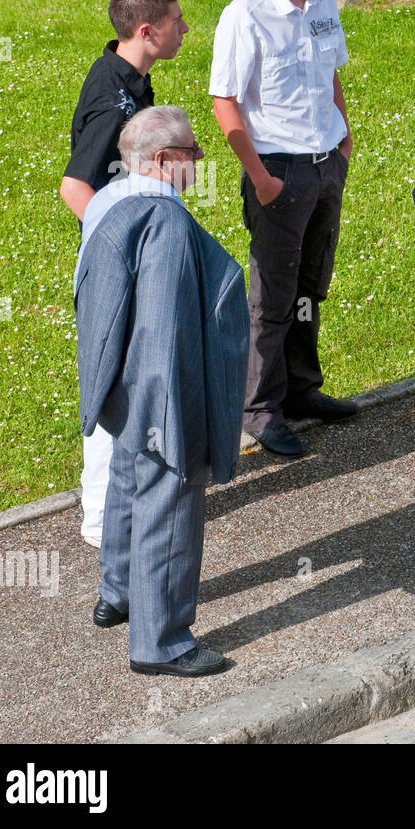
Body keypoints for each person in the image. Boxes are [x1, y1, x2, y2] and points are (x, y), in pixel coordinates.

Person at [75, 107, 248, 676]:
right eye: (194, 153)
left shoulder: (108, 199)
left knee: (127, 480)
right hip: (160, 385)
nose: (201, 162)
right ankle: (163, 642)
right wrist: (172, 418)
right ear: (166, 161)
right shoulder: (166, 224)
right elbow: (164, 328)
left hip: (117, 380)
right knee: (170, 502)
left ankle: (118, 592)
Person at [209, 0, 356, 458]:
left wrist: (345, 140)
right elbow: (225, 102)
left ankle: (301, 390)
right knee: (271, 296)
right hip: (278, 170)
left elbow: (332, 71)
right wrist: (261, 179)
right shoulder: (244, 15)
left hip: (325, 164)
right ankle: (260, 410)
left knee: (311, 284)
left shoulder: (322, 2)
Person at [61, 0, 188, 548]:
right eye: (176, 22)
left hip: (130, 257)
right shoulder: (113, 98)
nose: (184, 30)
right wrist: (121, 249)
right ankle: (99, 518)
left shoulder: (130, 76)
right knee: (110, 379)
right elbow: (74, 187)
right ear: (146, 31)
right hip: (116, 267)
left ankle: (127, 496)